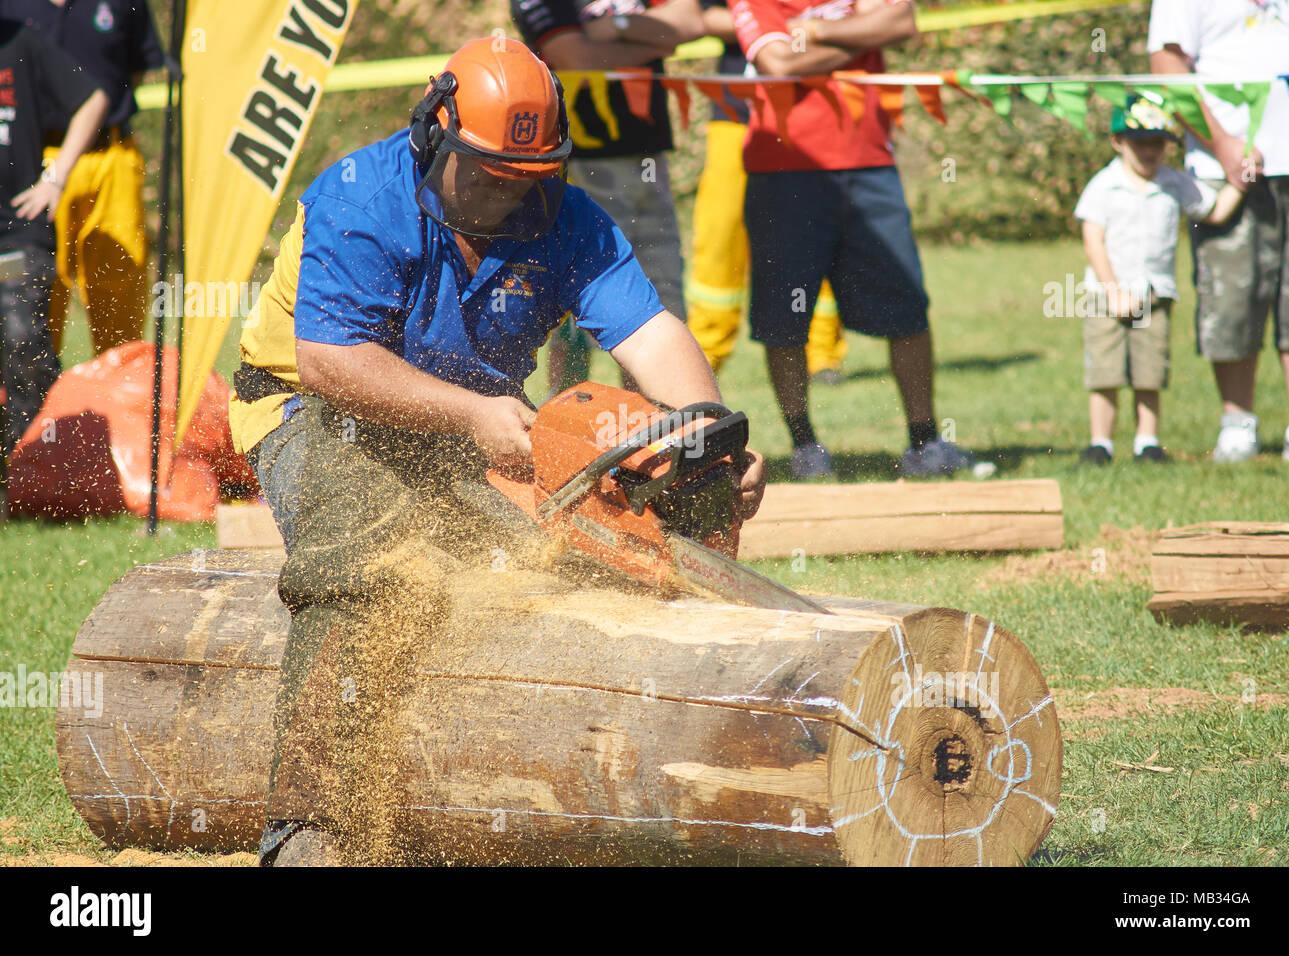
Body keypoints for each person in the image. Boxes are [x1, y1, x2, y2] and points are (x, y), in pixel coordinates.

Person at [226, 37, 766, 866]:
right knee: (377, 566)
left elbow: (652, 336)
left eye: (527, 178)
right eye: (484, 174)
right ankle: (310, 828)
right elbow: (331, 361)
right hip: (310, 411)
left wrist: (706, 440)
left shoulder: (570, 221)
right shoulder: (361, 197)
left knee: (575, 557)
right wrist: (473, 413)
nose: (504, 195)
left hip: (464, 431)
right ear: (433, 136)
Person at [726, 0, 981, 479]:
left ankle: (925, 443)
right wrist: (863, 36)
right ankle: (805, 448)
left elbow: (902, 22)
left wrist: (816, 32)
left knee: (907, 308)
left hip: (871, 167)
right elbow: (779, 64)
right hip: (783, 172)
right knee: (785, 321)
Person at [511, 0, 695, 395]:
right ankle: (566, 437)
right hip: (577, 165)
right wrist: (645, 40)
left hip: (648, 161)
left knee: (655, 304)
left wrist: (617, 26)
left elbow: (682, 26)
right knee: (574, 309)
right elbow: (575, 56)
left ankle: (650, 437)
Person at [1149, 0, 1289, 463]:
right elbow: (1168, 64)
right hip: (1224, 164)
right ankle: (1238, 423)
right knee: (1231, 293)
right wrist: (1223, 145)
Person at [686, 0, 849, 384]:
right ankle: (706, 351)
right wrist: (770, 23)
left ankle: (822, 351)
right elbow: (703, 16)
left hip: (808, 112)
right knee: (720, 233)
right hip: (734, 113)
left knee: (812, 230)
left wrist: (776, 25)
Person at [1074, 97, 1243, 465]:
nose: (1149, 150)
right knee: (1105, 371)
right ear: (1118, 142)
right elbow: (1093, 239)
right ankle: (1100, 443)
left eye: (1157, 142)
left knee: (1149, 371)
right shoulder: (1105, 185)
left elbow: (1212, 210)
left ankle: (1146, 442)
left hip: (1155, 293)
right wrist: (1113, 292)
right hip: (1108, 295)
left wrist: (1241, 182)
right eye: (1139, 142)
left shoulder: (1174, 182)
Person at [1, 0, 164, 356]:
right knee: (39, 289)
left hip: (112, 152)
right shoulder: (10, 7)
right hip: (39, 161)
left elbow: (135, 70)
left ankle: (121, 396)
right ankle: (39, 401)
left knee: (120, 286)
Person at [1, 17, 108, 459]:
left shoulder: (24, 41)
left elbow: (94, 98)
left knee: (20, 337)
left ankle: (26, 465)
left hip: (17, 231)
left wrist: (55, 178)